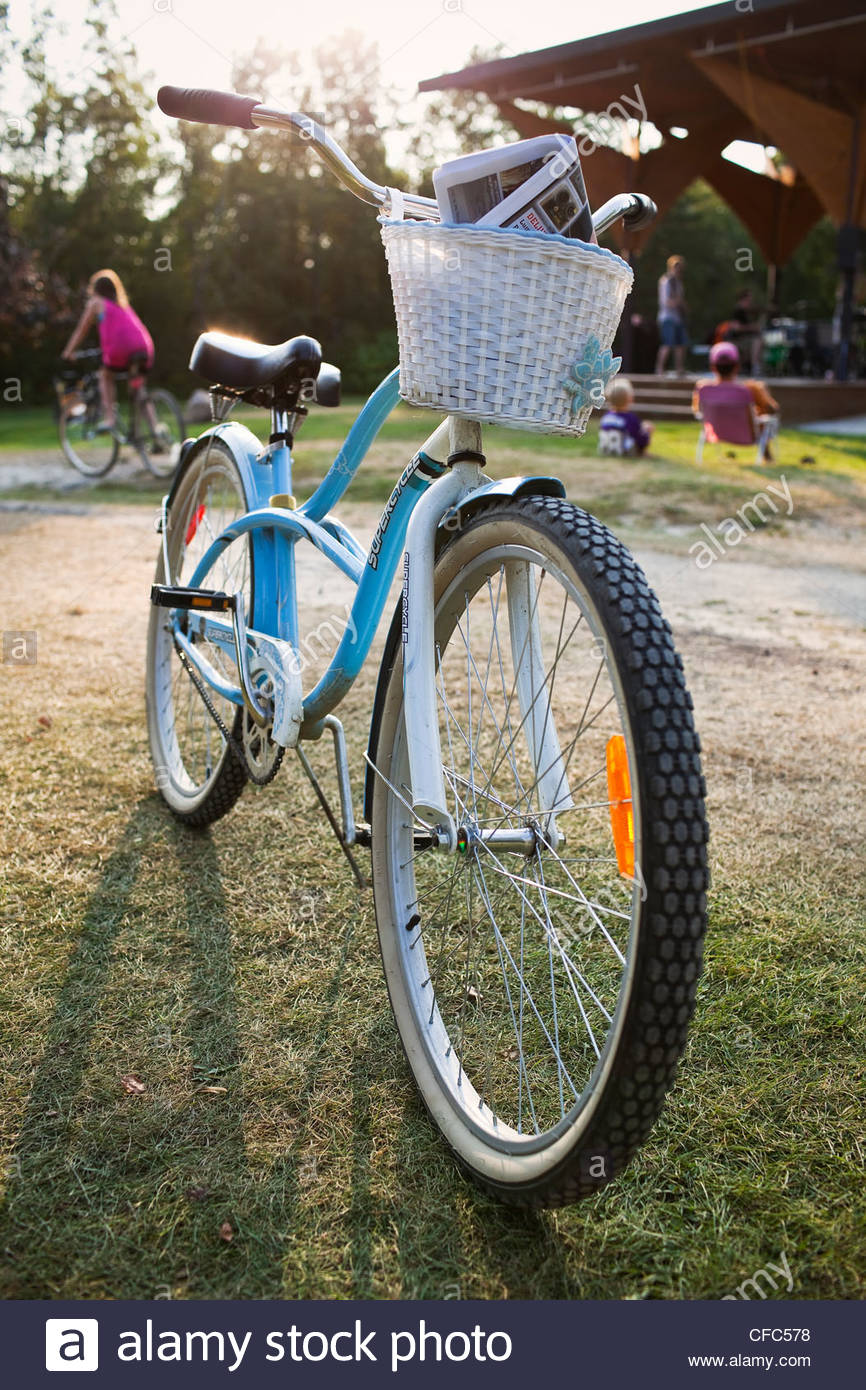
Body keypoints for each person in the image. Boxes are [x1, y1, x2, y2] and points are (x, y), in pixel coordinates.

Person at [62, 269, 155, 432]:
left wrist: (68, 352)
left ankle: (110, 420)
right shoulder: (123, 305)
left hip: (120, 349)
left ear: (95, 289)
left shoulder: (96, 303)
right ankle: (156, 430)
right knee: (138, 387)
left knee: (105, 376)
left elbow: (81, 331)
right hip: (143, 346)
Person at [692, 341, 779, 458]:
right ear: (737, 366)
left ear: (712, 367)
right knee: (765, 417)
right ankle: (766, 455)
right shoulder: (751, 389)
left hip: (715, 433)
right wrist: (764, 392)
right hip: (749, 435)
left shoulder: (703, 389)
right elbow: (772, 409)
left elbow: (697, 411)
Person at [599, 377, 653, 455]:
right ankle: (643, 453)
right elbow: (640, 439)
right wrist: (647, 433)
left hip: (606, 450)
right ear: (630, 399)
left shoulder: (606, 417)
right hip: (625, 451)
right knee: (646, 427)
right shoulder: (630, 418)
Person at [655, 254, 688, 375]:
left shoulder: (678, 283)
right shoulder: (665, 281)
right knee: (667, 344)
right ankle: (659, 369)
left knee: (681, 344)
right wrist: (678, 302)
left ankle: (679, 369)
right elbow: (665, 302)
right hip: (667, 318)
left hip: (678, 318)